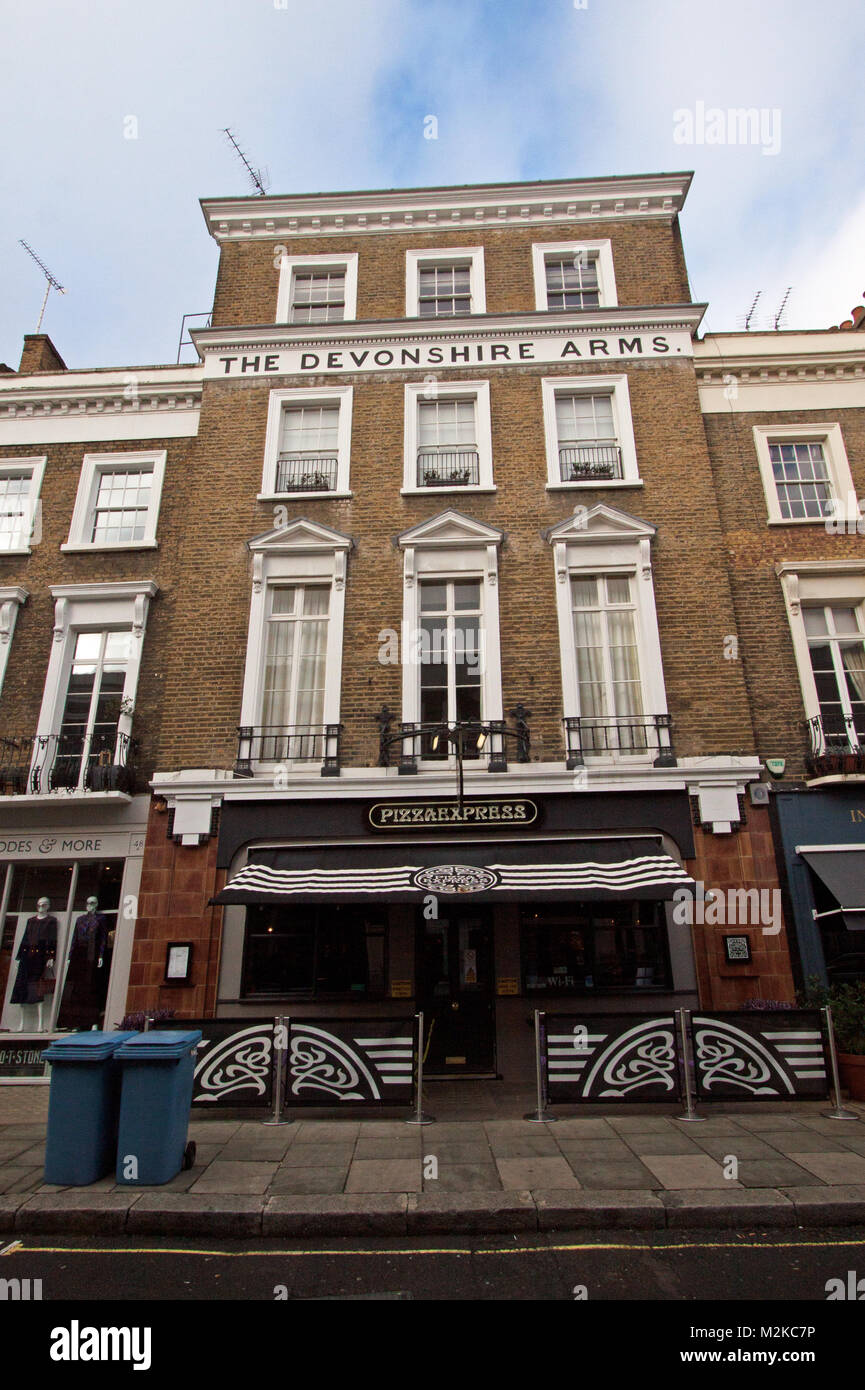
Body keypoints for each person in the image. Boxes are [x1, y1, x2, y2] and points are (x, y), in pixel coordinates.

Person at [56, 896, 112, 1031]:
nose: (90, 905)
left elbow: (103, 938)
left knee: (91, 987)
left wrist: (100, 955)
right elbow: (74, 938)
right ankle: (75, 1022)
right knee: (76, 988)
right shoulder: (80, 920)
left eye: (92, 903)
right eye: (88, 903)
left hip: (92, 954)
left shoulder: (101, 919)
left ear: (97, 904)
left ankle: (92, 1021)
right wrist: (70, 955)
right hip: (79, 954)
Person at [11, 896, 58, 1032]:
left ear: (48, 906)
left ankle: (40, 1025)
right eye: (39, 905)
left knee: (38, 989)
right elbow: (25, 938)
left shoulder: (51, 921)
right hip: (27, 958)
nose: (41, 908)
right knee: (22, 989)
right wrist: (19, 957)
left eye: (43, 905)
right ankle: (22, 1024)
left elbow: (53, 940)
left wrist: (51, 956)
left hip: (40, 958)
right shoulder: (30, 921)